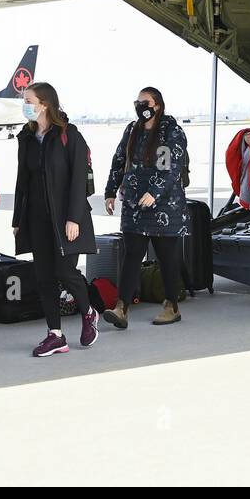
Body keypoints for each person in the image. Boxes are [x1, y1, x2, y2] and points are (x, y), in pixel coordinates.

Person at [12, 82, 99, 356]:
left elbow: (77, 181)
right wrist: (17, 219)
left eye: (29, 100)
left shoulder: (68, 135)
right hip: (36, 217)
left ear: (45, 104)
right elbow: (21, 182)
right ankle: (55, 334)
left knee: (65, 272)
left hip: (66, 218)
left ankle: (88, 312)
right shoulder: (26, 138)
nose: (25, 105)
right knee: (44, 276)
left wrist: (74, 218)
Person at [102, 87, 189, 328]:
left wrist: (155, 192)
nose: (141, 106)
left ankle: (171, 305)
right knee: (131, 256)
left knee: (167, 258)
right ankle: (121, 308)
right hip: (134, 204)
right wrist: (110, 191)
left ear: (158, 105)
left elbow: (171, 167)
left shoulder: (170, 131)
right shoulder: (132, 129)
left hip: (165, 205)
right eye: (138, 102)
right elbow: (119, 160)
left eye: (146, 102)